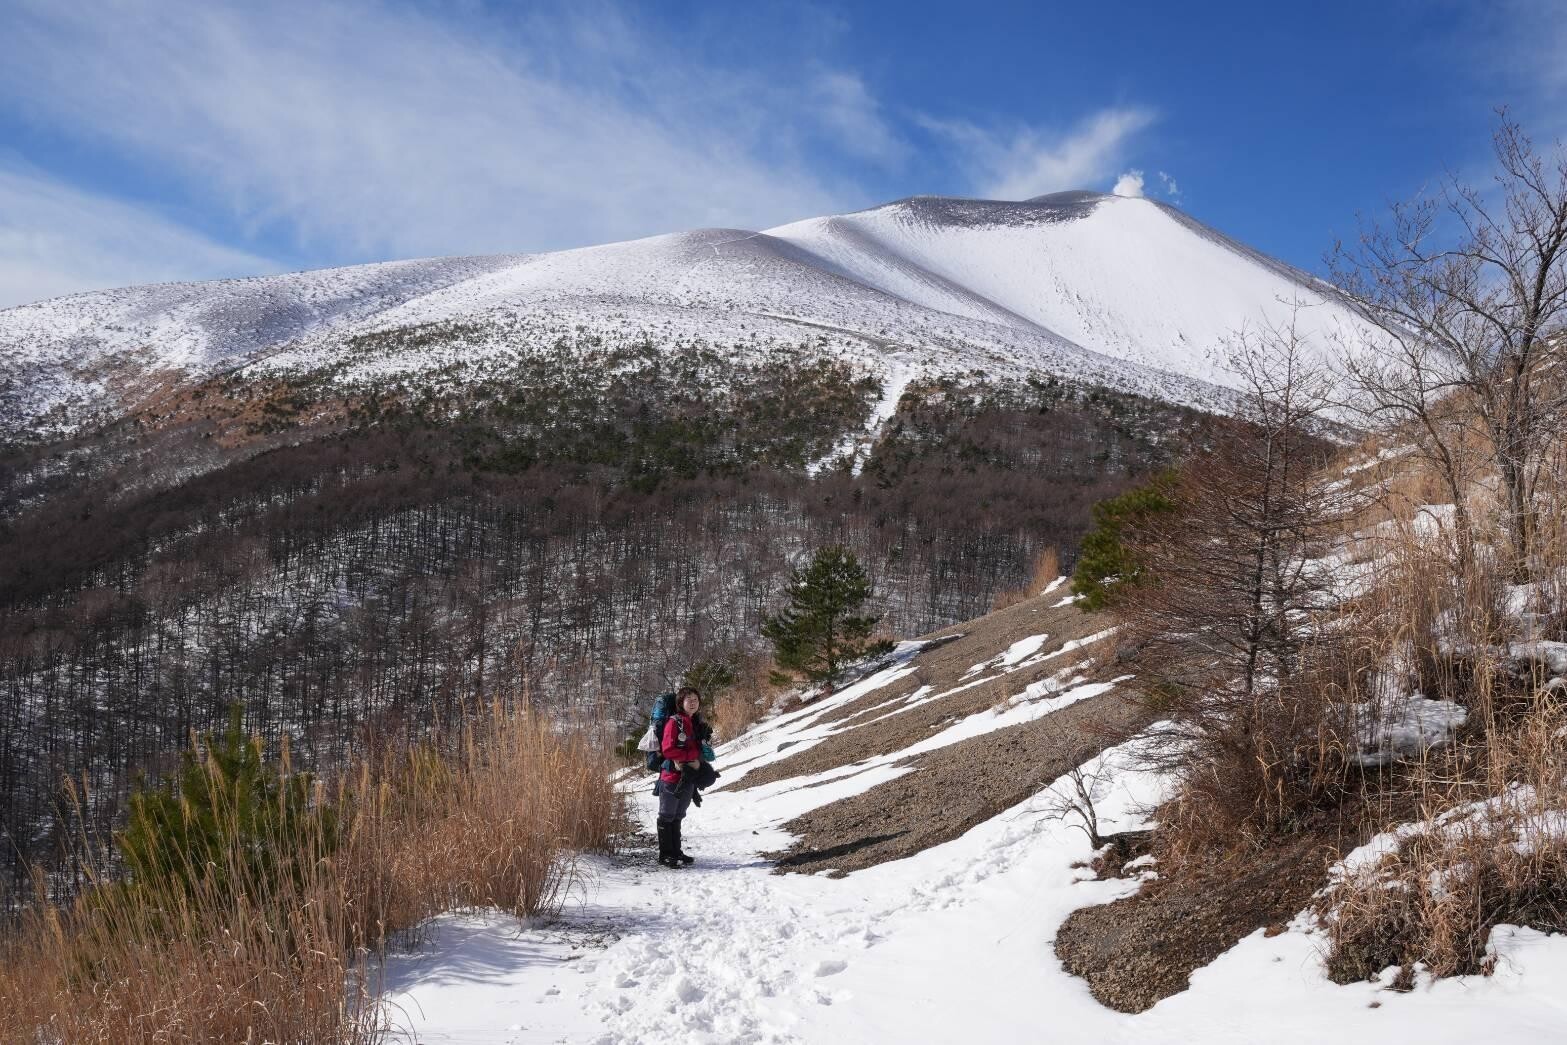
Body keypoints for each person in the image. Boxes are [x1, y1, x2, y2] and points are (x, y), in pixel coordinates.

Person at [656, 686, 706, 869]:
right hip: (671, 776)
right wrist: (693, 756)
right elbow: (668, 750)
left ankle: (676, 852)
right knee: (666, 815)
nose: (693, 703)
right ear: (680, 702)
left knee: (677, 815)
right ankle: (665, 854)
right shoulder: (674, 722)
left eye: (695, 699)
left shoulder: (695, 722)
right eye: (689, 699)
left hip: (687, 777)